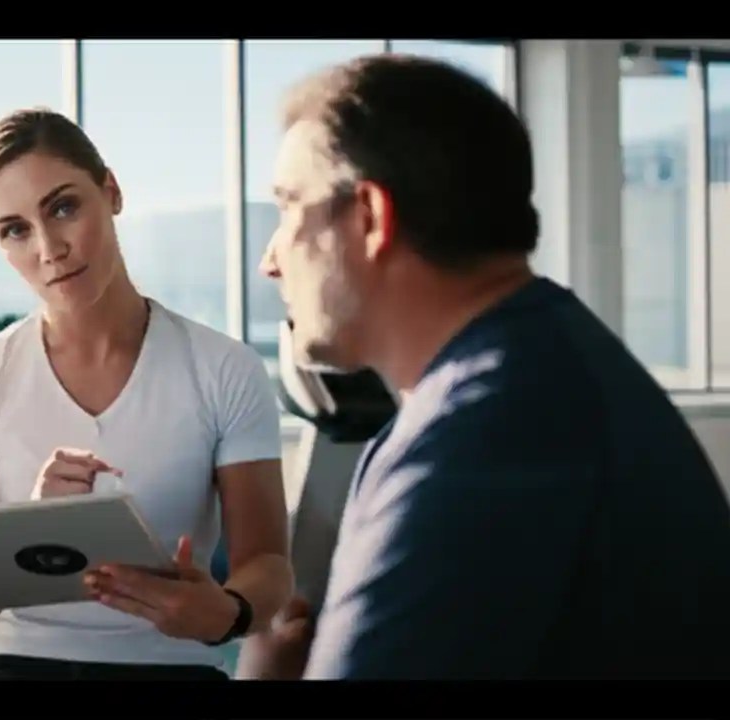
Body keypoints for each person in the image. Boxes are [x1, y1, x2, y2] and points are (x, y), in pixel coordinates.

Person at [237, 53, 730, 680]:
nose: (270, 261)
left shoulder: (480, 439)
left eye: (287, 208)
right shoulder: (542, 365)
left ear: (369, 218)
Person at [0, 107, 293, 680]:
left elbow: (266, 563)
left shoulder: (225, 369)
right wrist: (27, 529)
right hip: (20, 666)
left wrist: (228, 612)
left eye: (63, 208)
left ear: (111, 192)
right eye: (15, 230)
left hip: (172, 668)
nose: (49, 248)